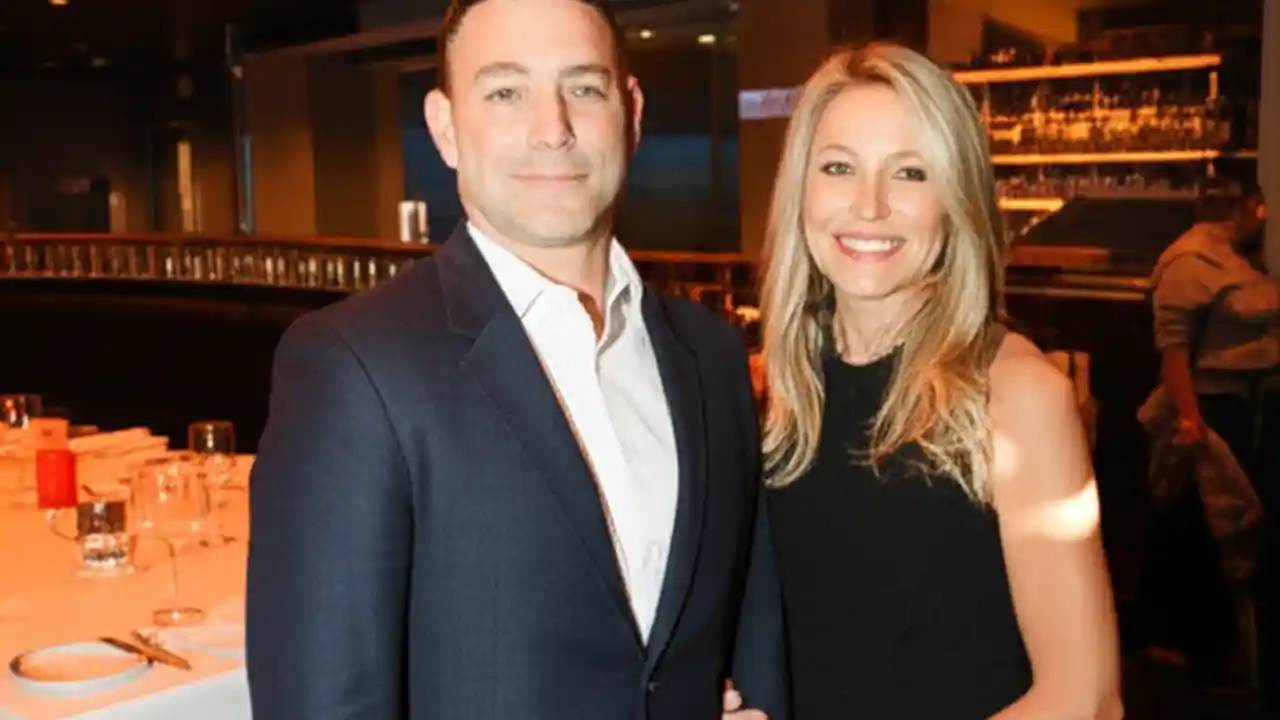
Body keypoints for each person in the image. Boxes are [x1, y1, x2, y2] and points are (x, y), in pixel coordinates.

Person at [244, 0, 787, 717]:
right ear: (445, 127)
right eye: (505, 92)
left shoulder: (711, 353)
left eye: (583, 88)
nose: (551, 129)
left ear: (631, 110)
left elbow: (750, 630)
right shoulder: (355, 367)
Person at [758, 43, 1123, 718]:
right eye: (839, 167)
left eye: (911, 173)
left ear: (957, 201)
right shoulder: (779, 391)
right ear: (800, 189)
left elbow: (1087, 700)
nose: (868, 206)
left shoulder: (1015, 395)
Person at [1144, 177, 1276, 697]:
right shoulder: (1191, 261)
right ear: (1245, 207)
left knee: (1229, 524)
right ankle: (1189, 654)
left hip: (1243, 406)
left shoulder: (1238, 257)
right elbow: (1174, 349)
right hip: (1209, 408)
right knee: (1200, 527)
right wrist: (1190, 422)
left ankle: (1217, 654)